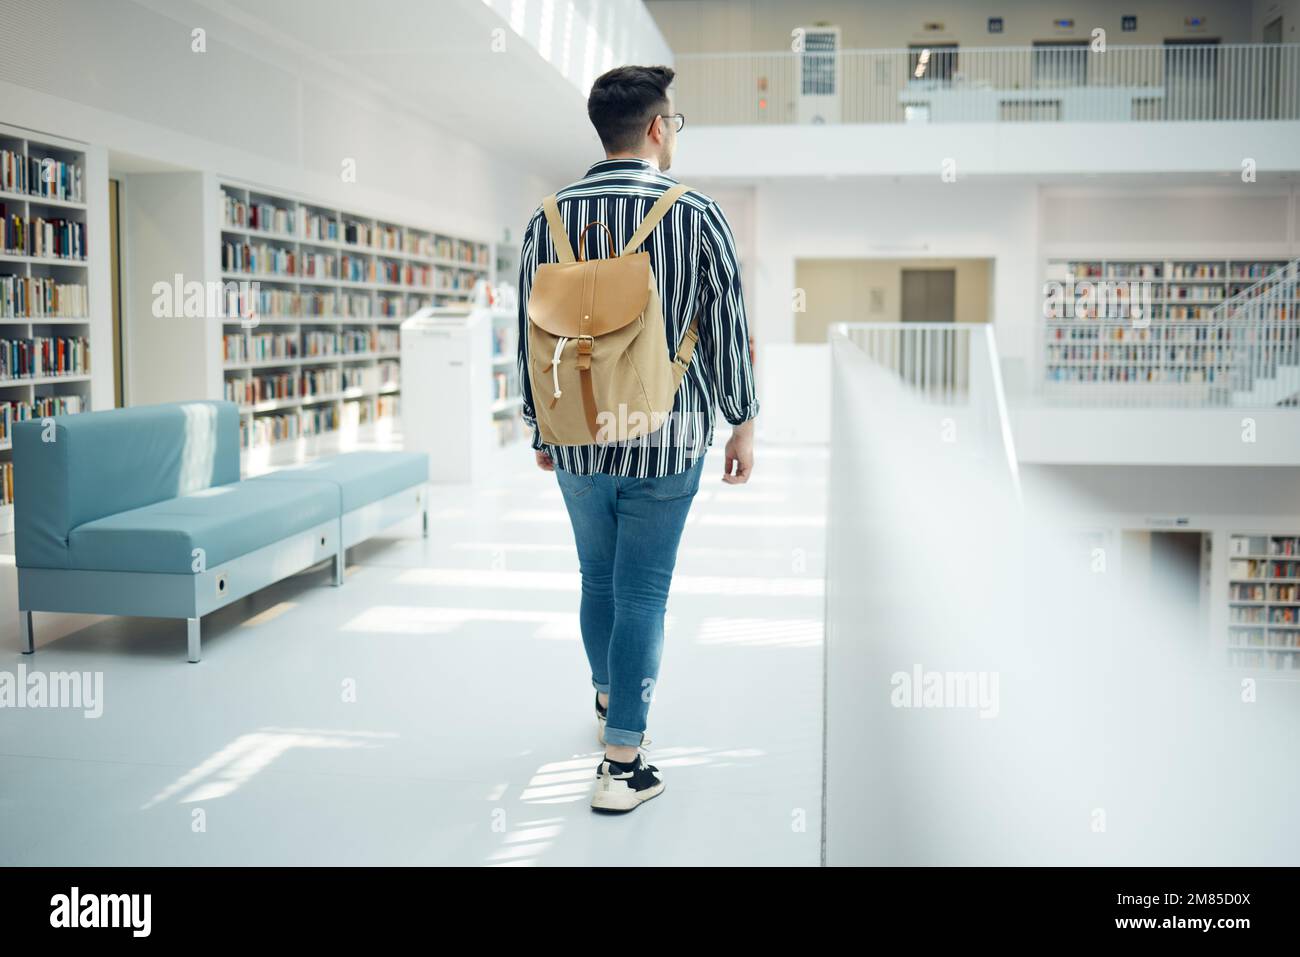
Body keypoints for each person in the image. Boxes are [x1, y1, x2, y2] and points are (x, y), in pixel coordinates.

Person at [516, 64, 759, 814]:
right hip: (668, 432)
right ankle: (623, 764)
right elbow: (727, 329)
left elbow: (524, 334)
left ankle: (607, 698)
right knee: (643, 588)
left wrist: (538, 422)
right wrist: (742, 419)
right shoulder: (697, 214)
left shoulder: (546, 218)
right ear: (658, 128)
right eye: (674, 122)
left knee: (598, 578)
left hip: (577, 434)